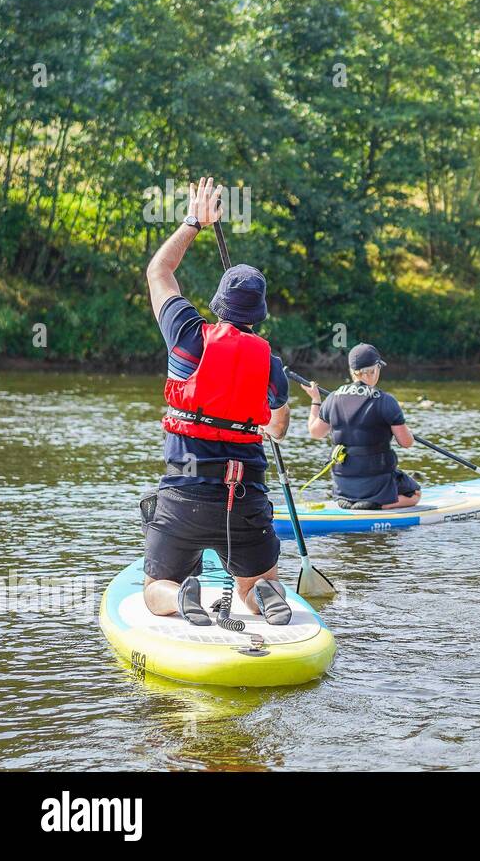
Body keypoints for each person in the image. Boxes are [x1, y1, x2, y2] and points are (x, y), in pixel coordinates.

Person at [143, 177, 292, 626]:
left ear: (217, 304)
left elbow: (159, 272)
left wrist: (194, 222)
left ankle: (179, 595)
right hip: (245, 498)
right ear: (259, 314)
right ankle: (265, 594)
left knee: (154, 590)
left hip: (184, 494)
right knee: (256, 582)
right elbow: (277, 429)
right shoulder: (272, 365)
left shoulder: (187, 334)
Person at [299, 344, 421, 510]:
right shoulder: (385, 400)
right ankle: (377, 505)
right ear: (373, 371)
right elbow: (407, 443)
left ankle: (349, 501)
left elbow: (315, 432)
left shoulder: (333, 398)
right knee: (415, 494)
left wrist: (315, 400)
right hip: (376, 483)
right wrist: (407, 432)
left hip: (343, 485)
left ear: (352, 371)